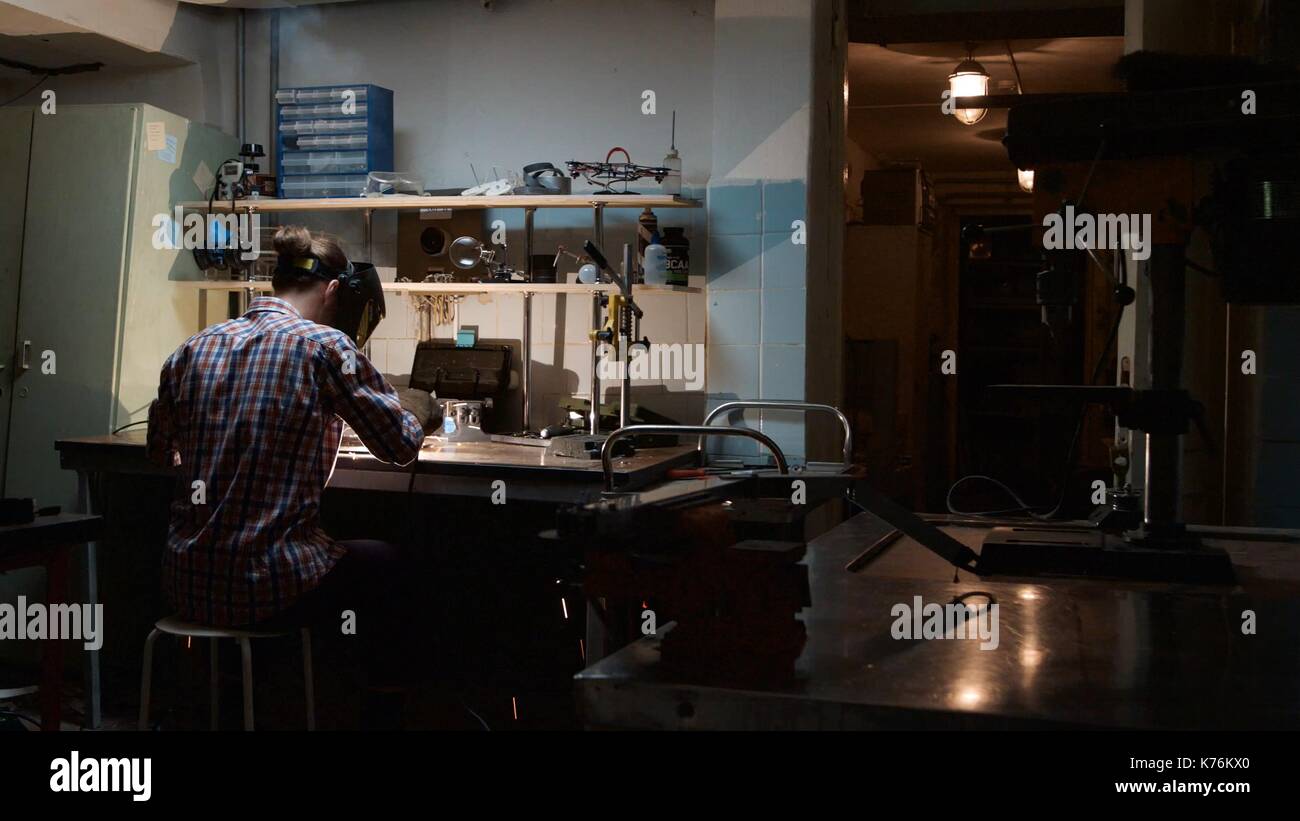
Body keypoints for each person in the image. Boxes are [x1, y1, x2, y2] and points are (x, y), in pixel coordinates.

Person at [146, 225, 438, 724]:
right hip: (269, 586)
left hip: (186, 582)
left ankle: (241, 703)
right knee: (391, 565)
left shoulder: (193, 348)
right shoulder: (325, 347)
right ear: (332, 291)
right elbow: (400, 445)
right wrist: (419, 404)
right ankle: (381, 715)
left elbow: (158, 454)